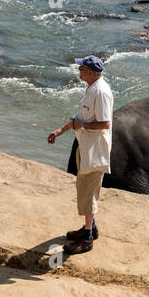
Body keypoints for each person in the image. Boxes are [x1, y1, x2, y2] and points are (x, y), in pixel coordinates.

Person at [47, 55, 113, 253]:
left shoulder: (101, 92)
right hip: (86, 146)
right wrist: (60, 130)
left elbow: (105, 123)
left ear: (91, 73)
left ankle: (87, 237)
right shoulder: (92, 89)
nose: (79, 71)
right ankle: (90, 227)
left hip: (95, 150)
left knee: (88, 192)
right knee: (85, 190)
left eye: (82, 69)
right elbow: (79, 118)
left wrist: (82, 125)